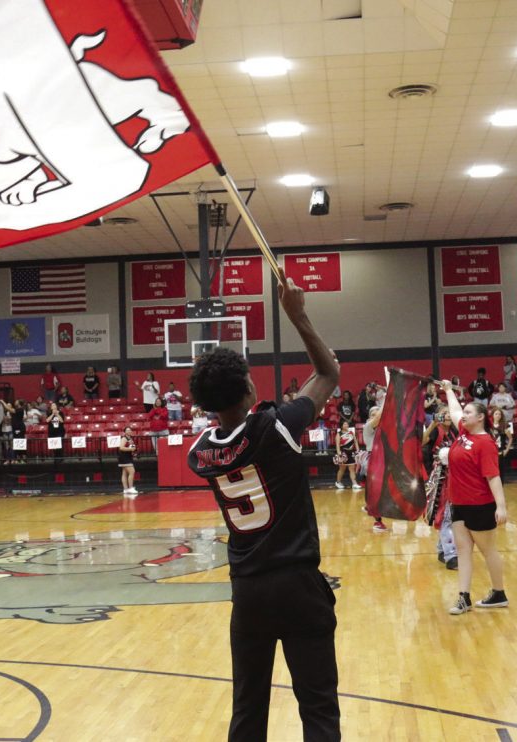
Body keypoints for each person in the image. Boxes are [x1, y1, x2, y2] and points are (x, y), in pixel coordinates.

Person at [186, 268, 341, 741]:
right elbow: (328, 372)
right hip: (297, 584)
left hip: (248, 592)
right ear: (251, 390)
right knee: (317, 710)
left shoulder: (200, 453)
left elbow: (228, 429)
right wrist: (298, 316)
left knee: (247, 710)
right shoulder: (275, 427)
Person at [440, 380, 508, 614]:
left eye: (470, 412)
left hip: (480, 505)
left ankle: (499, 593)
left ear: (480, 417)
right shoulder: (463, 433)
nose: (464, 415)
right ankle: (464, 597)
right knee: (462, 551)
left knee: (488, 550)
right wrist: (449, 390)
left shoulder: (485, 443)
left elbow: (493, 477)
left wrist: (501, 506)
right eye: (465, 412)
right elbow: (455, 410)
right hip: (458, 503)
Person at [423, 410, 458, 569]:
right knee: (446, 514)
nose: (449, 416)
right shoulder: (436, 430)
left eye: (450, 413)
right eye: (445, 413)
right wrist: (432, 424)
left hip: (455, 475)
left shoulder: (455, 432)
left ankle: (443, 550)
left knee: (450, 514)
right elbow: (421, 442)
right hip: (440, 478)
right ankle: (451, 555)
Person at [334, 420, 361, 491]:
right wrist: (339, 453)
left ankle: (354, 483)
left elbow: (355, 442)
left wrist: (358, 450)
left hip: (351, 452)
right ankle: (338, 482)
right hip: (343, 453)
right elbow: (337, 444)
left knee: (352, 468)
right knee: (342, 469)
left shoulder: (351, 432)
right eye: (344, 424)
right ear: (341, 426)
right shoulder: (338, 434)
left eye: (347, 424)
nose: (346, 425)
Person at [488, 407, 512, 483]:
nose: (498, 415)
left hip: (500, 453)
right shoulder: (488, 427)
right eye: (496, 414)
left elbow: (510, 438)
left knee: (500, 473)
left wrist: (507, 450)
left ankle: (500, 490)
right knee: (491, 473)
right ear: (492, 415)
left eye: (499, 414)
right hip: (490, 453)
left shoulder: (504, 426)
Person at [118, 425, 138, 496]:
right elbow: (121, 448)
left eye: (130, 430)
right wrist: (130, 449)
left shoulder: (130, 439)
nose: (129, 431)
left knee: (124, 473)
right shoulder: (124, 438)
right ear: (125, 432)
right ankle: (130, 488)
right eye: (127, 430)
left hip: (128, 456)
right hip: (124, 457)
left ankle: (125, 489)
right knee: (132, 471)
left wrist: (133, 452)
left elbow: (132, 447)